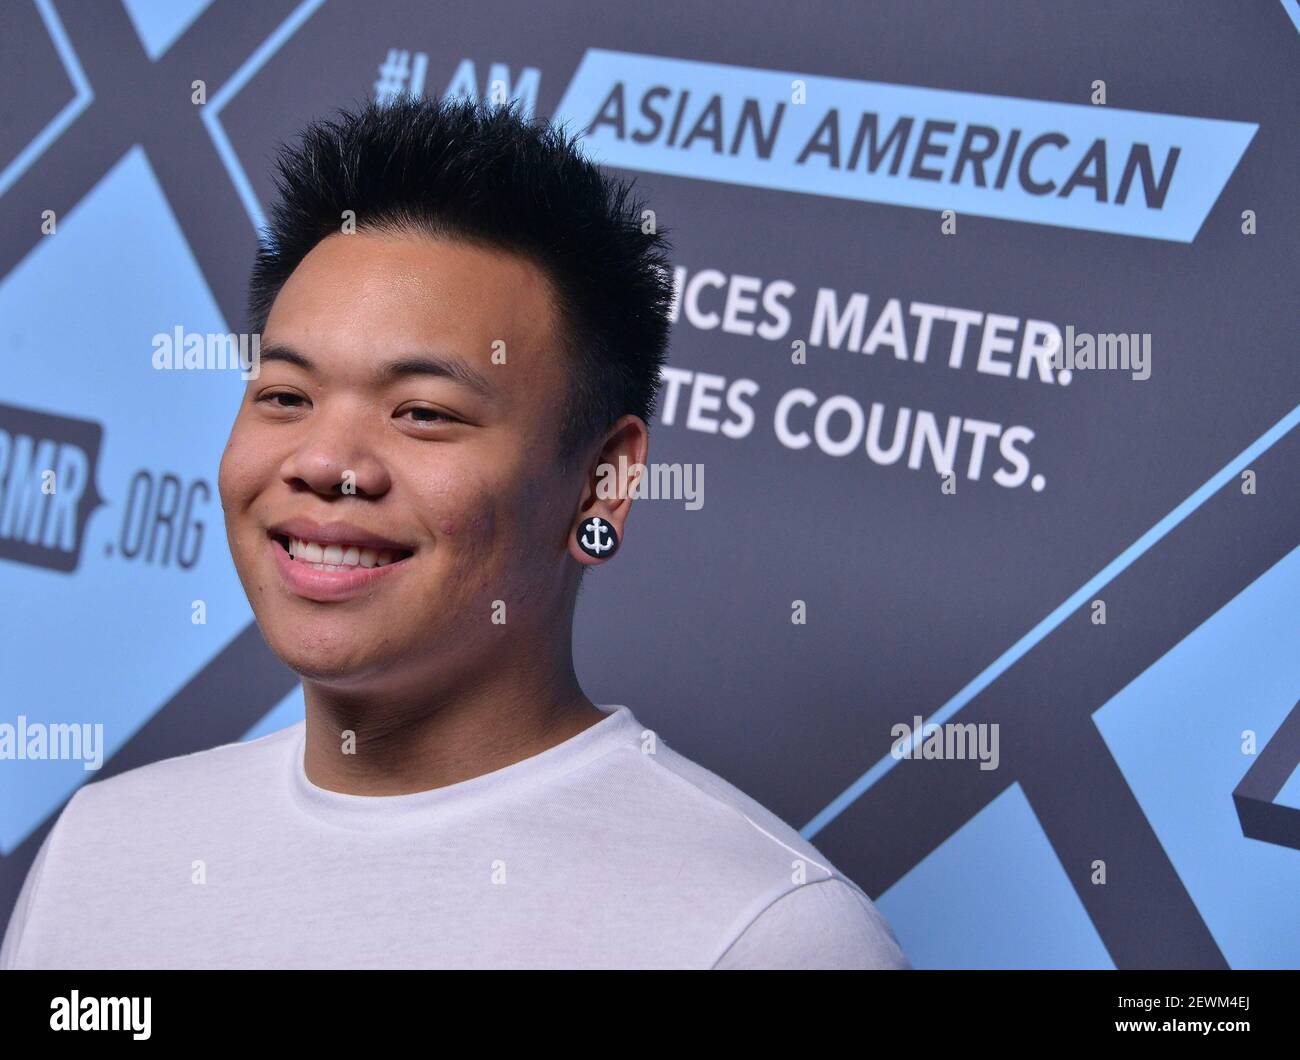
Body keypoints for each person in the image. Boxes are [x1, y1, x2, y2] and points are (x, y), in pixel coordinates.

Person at [0, 96, 909, 970]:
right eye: (285, 396)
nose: (326, 462)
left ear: (605, 480)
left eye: (424, 412)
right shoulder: (104, 853)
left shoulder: (765, 933)